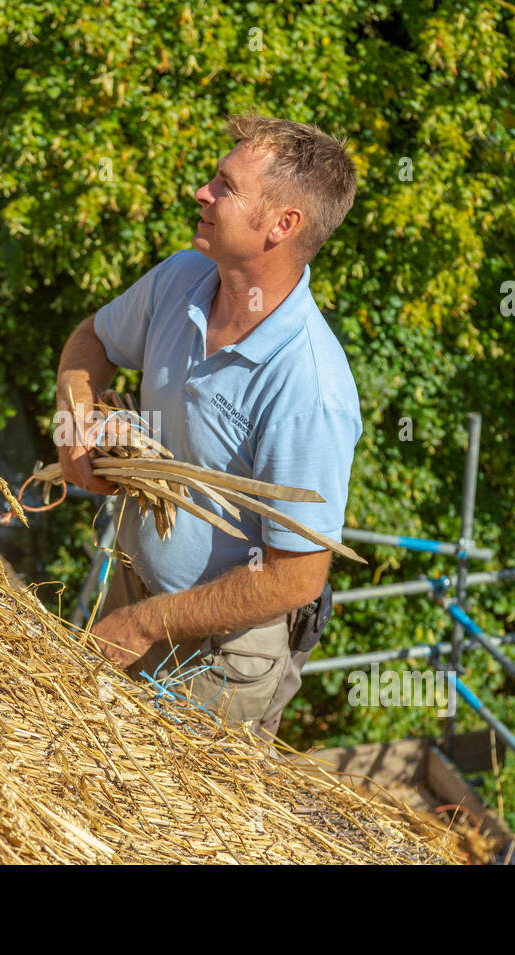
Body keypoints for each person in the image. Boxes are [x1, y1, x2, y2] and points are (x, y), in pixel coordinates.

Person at [55, 112, 360, 741]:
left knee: (163, 828)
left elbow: (298, 574)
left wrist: (146, 626)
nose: (202, 191)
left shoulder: (309, 385)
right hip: (136, 593)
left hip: (219, 657)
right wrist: (75, 420)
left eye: (226, 185)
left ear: (282, 225)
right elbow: (92, 338)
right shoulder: (182, 280)